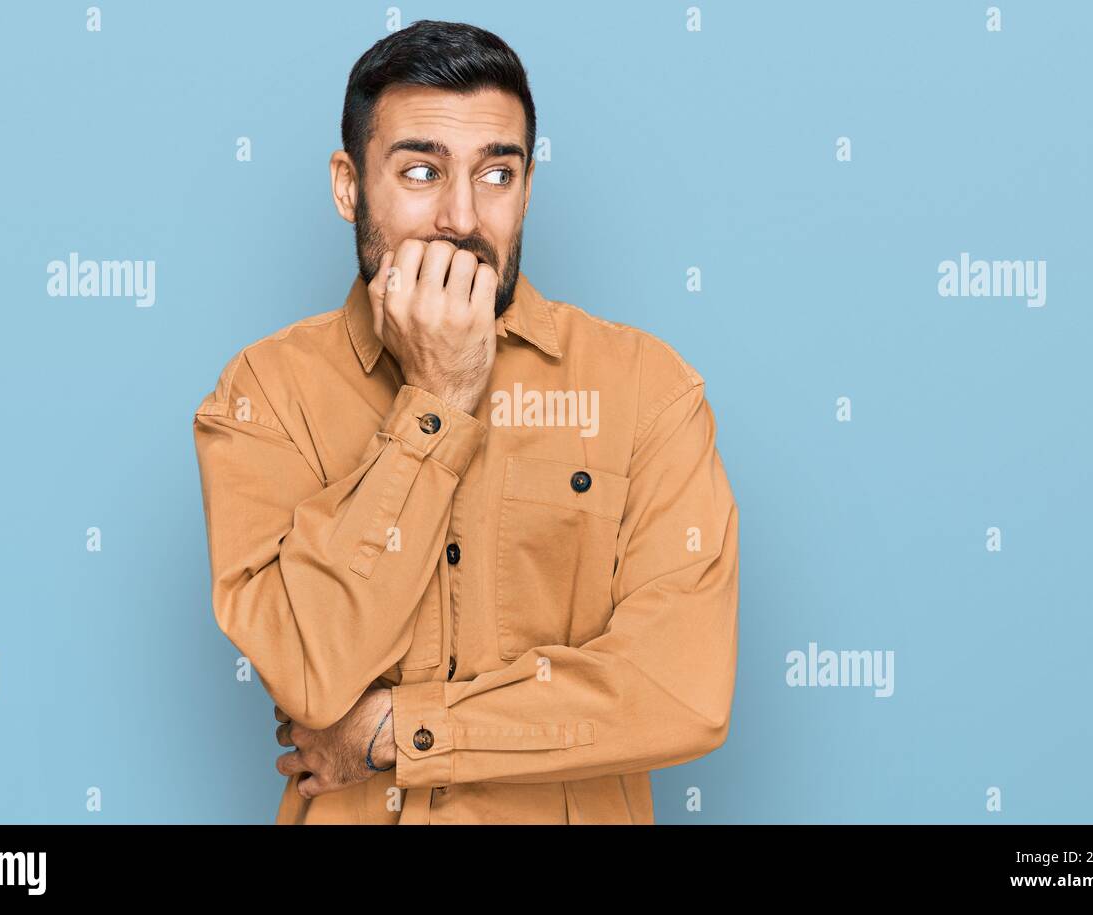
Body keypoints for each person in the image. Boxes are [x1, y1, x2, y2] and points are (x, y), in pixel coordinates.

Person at [192, 19, 739, 825]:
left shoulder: (648, 390)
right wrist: (438, 401)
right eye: (421, 170)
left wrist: (400, 732)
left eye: (497, 174)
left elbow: (679, 690)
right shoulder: (264, 394)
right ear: (349, 185)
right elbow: (309, 666)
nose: (461, 215)